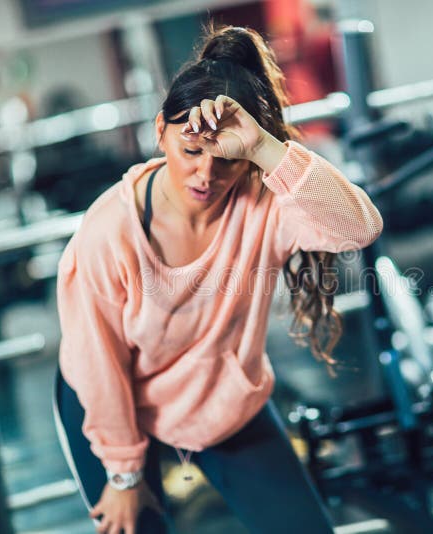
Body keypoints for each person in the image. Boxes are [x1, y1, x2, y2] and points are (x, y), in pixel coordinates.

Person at [53, 24, 383, 534]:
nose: (206, 176)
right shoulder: (108, 234)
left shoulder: (260, 202)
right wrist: (123, 476)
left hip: (218, 400)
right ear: (161, 129)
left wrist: (264, 147)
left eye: (226, 159)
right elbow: (99, 366)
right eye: (190, 151)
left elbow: (358, 228)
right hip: (111, 403)